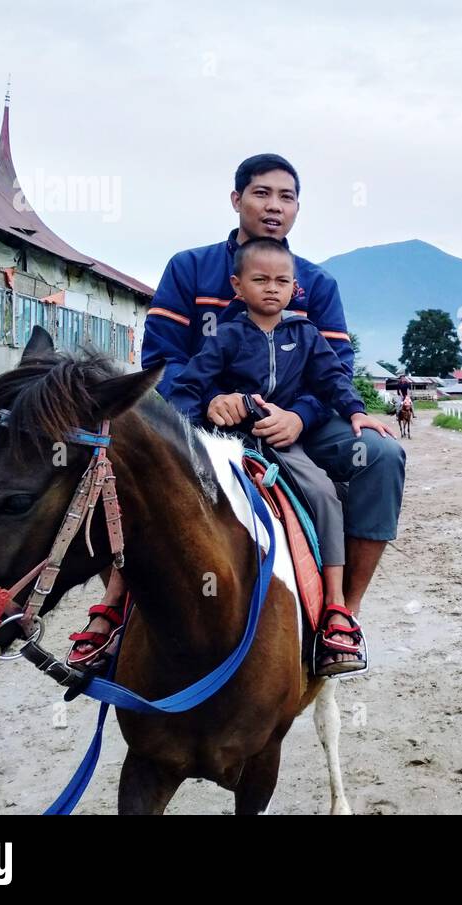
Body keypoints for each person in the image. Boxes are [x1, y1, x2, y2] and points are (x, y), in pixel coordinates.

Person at [71, 153, 406, 672]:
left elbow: (334, 370)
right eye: (262, 193)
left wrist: (299, 417)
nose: (274, 205)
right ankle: (115, 608)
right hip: (203, 420)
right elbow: (161, 361)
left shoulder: (314, 284)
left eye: (287, 196)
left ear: (298, 208)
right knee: (122, 467)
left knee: (381, 454)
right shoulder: (191, 268)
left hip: (294, 424)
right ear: (236, 200)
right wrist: (206, 402)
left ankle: (341, 616)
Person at [167, 237, 394, 675]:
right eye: (260, 279)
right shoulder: (225, 335)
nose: (272, 288)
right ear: (237, 285)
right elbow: (187, 386)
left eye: (282, 281)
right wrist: (210, 406)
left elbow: (332, 380)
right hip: (229, 442)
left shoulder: (306, 335)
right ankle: (119, 605)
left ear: (295, 288)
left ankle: (335, 605)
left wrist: (358, 412)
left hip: (286, 443)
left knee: (325, 494)